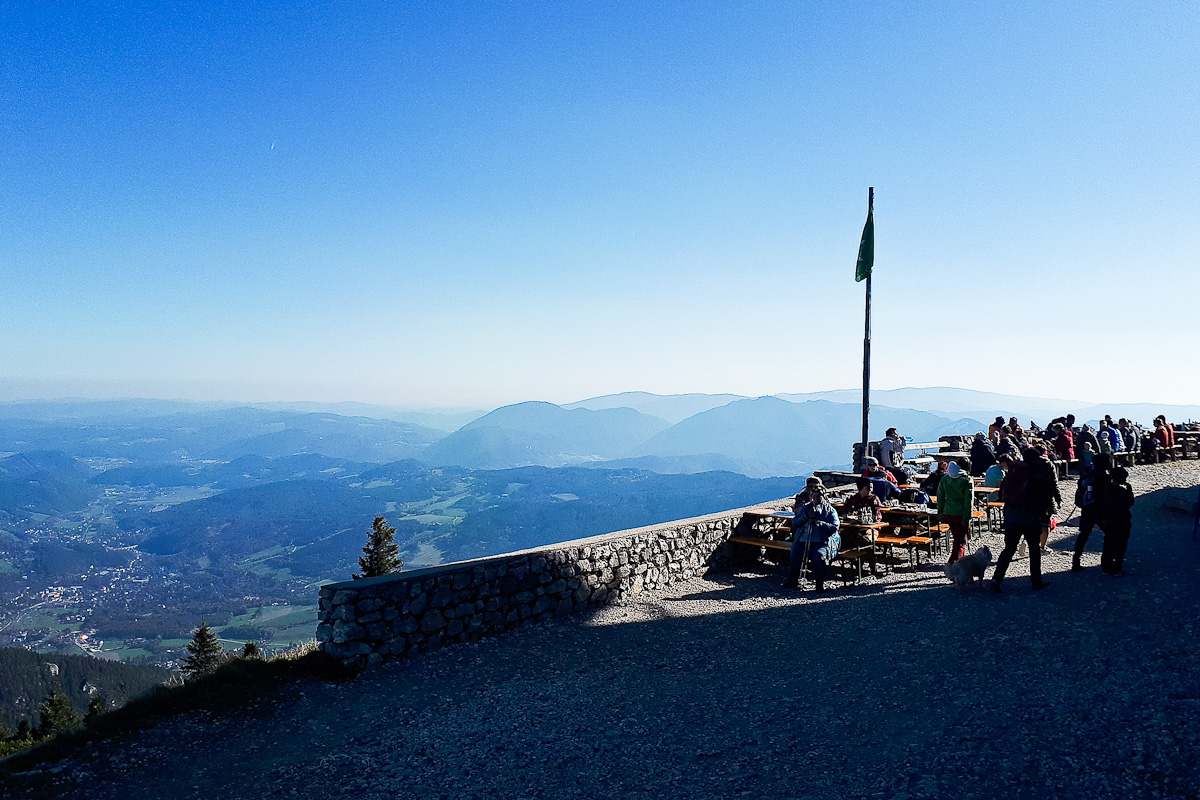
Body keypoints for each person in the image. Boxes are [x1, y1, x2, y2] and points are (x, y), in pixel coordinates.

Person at [991, 446, 1057, 592]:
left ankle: (996, 579)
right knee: (1034, 549)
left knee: (1009, 548)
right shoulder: (1038, 474)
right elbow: (1045, 496)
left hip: (1011, 515)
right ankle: (1036, 581)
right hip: (1030, 517)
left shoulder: (1013, 473)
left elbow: (1002, 492)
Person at [782, 485, 840, 592]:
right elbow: (795, 522)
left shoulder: (830, 510)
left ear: (824, 496)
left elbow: (835, 527)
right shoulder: (806, 508)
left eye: (819, 496)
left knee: (819, 557)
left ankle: (819, 584)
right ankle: (793, 580)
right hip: (803, 539)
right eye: (814, 495)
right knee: (795, 555)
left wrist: (819, 523)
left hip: (821, 541)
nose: (817, 498)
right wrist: (805, 517)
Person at [1072, 453, 1112, 571]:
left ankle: (1076, 561)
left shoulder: (1089, 473)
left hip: (1087, 508)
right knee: (1110, 534)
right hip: (1100, 509)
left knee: (1083, 535)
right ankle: (1107, 561)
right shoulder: (1104, 477)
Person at [938, 456, 974, 564]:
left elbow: (940, 497)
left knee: (956, 538)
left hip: (948, 511)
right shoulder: (967, 480)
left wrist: (940, 513)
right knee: (961, 541)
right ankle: (955, 564)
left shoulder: (945, 478)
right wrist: (967, 517)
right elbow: (969, 500)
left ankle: (956, 562)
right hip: (961, 513)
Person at [1099, 466, 1135, 575]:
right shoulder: (1123, 489)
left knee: (1109, 542)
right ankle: (1117, 566)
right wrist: (1129, 489)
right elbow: (1130, 502)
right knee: (1121, 544)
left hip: (1110, 519)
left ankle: (1106, 564)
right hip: (1122, 519)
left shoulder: (1107, 487)